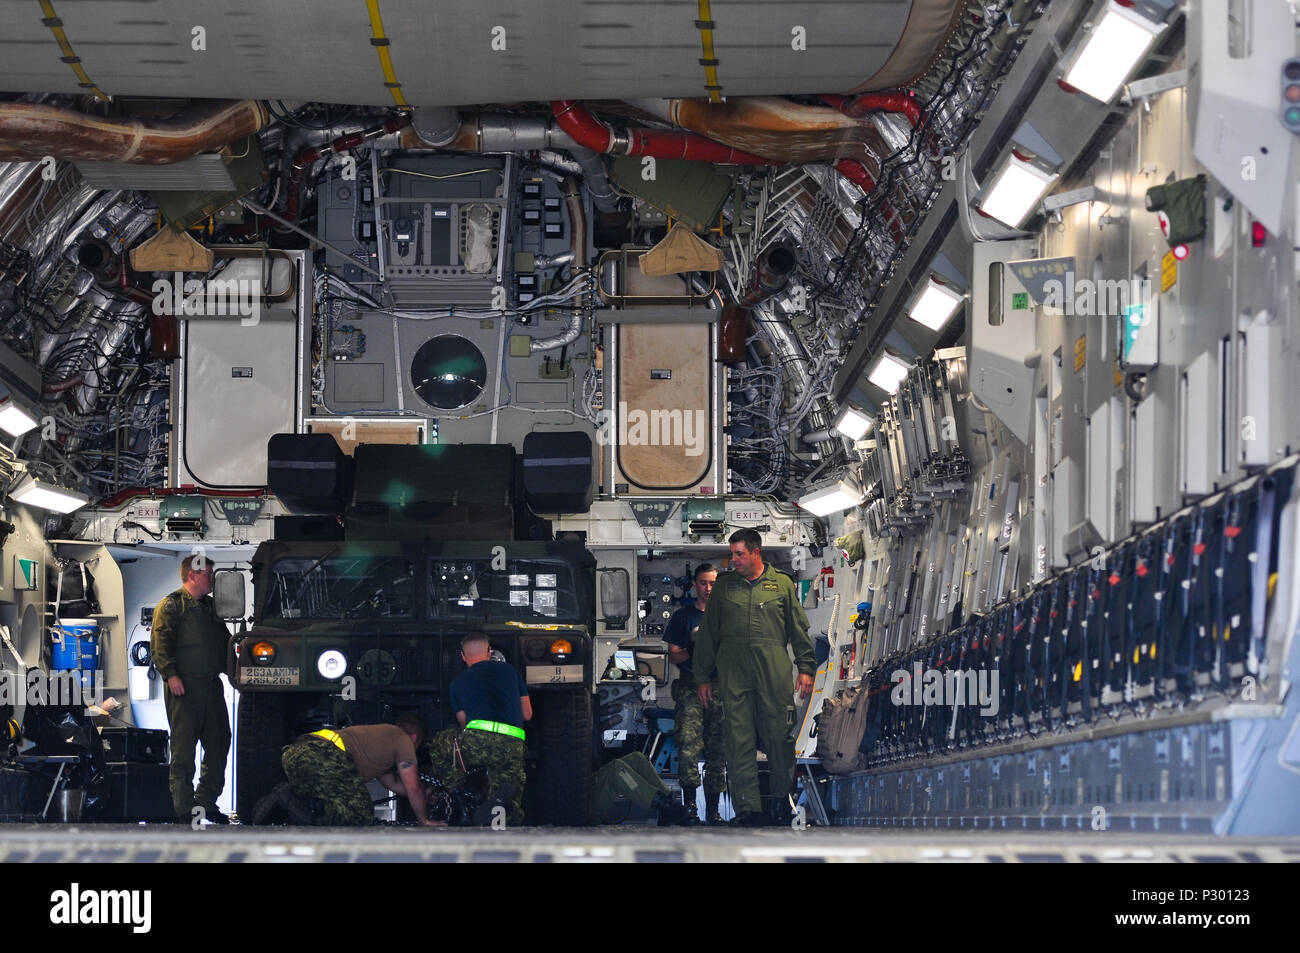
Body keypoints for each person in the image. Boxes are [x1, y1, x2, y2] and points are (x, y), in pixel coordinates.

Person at [693, 529, 815, 827]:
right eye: (732, 554)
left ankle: (782, 805)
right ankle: (748, 809)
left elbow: (799, 629)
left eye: (739, 554)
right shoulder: (724, 588)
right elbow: (708, 635)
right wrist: (702, 677)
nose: (733, 560)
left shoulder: (782, 585)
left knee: (779, 739)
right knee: (739, 740)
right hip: (733, 672)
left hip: (772, 670)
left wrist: (806, 667)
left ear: (756, 552)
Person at [151, 553, 232, 824]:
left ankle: (205, 802)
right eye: (208, 574)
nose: (212, 579)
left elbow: (224, 643)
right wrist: (171, 675)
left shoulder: (211, 608)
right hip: (184, 687)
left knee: (219, 743)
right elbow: (160, 643)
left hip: (211, 687)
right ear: (193, 575)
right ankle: (183, 809)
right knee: (184, 750)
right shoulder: (172, 606)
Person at [425, 633, 531, 824]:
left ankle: (460, 794)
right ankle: (504, 812)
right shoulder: (511, 672)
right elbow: (527, 714)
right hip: (512, 743)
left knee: (439, 744)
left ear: (463, 656)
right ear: (489, 652)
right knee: (509, 788)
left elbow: (464, 723)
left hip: (477, 741)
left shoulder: (458, 682)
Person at [280, 713, 438, 826]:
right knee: (360, 813)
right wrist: (424, 820)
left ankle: (287, 800)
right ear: (415, 738)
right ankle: (290, 802)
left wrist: (424, 794)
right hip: (322, 754)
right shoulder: (403, 739)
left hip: (295, 754)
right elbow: (413, 787)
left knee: (331, 804)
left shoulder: (384, 741)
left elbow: (395, 785)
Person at [665, 563, 727, 824]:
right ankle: (690, 806)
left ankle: (713, 809)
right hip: (691, 687)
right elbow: (674, 655)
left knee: (718, 749)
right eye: (703, 583)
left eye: (713, 583)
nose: (708, 588)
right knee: (689, 746)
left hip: (720, 688)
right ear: (694, 586)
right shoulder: (683, 617)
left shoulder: (728, 616)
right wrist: (693, 649)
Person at [592, 752, 689, 825]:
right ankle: (663, 805)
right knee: (615, 769)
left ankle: (668, 804)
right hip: (583, 809)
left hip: (587, 781)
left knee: (638, 759)